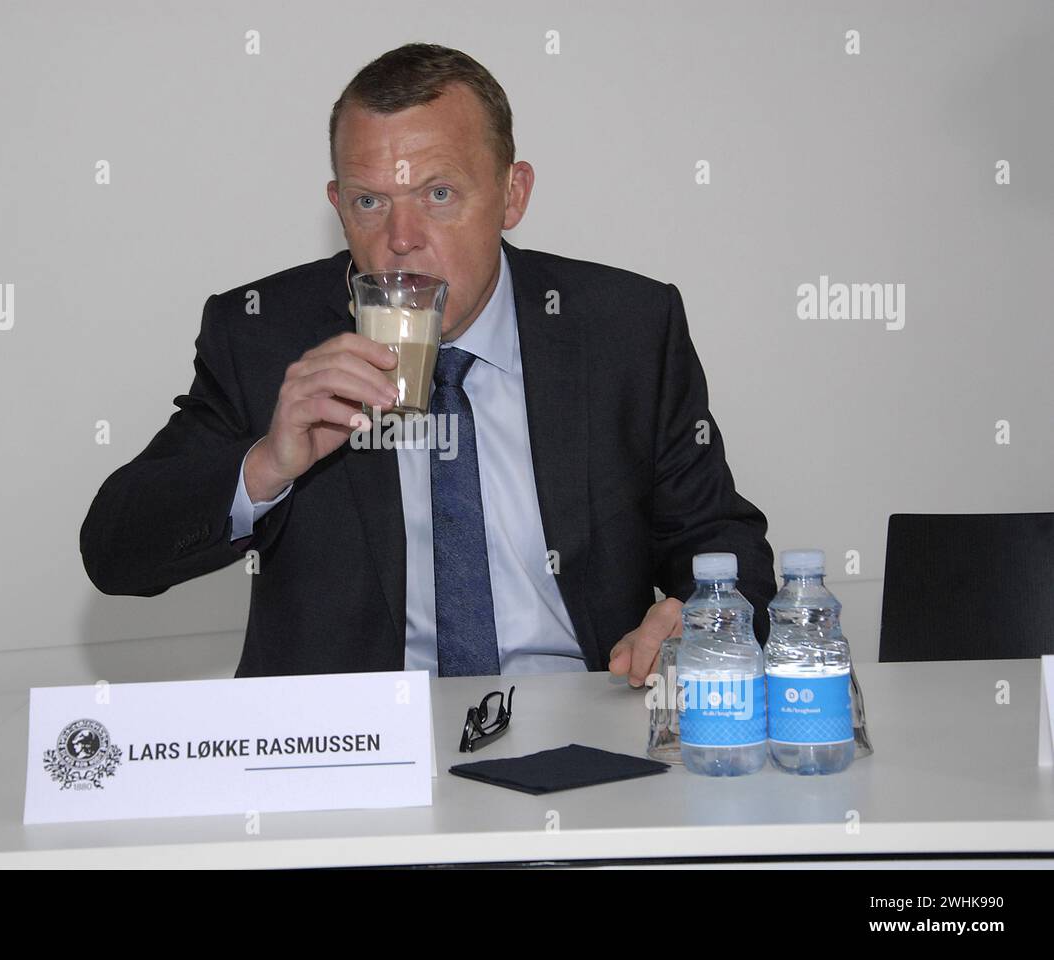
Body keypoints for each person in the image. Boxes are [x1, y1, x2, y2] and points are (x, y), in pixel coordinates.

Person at [80, 43, 776, 682]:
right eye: (369, 202)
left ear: (512, 193)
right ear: (337, 207)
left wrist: (710, 615)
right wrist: (265, 466)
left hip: (580, 727)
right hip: (353, 752)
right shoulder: (265, 335)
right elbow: (114, 552)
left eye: (438, 195)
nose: (401, 240)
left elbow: (717, 538)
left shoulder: (623, 328)